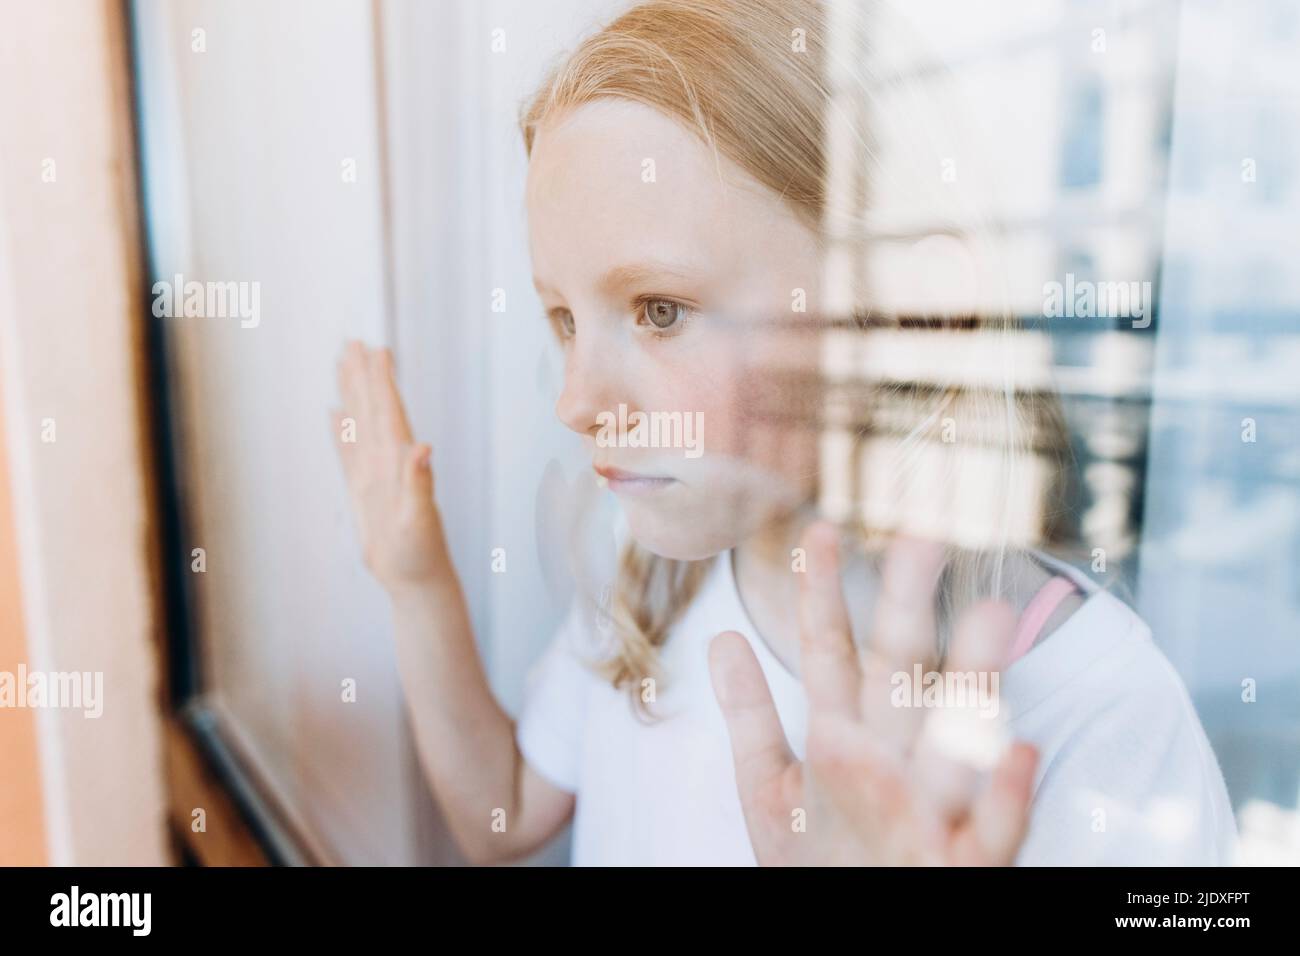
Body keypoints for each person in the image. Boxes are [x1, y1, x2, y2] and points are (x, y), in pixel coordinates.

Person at [332, 0, 1235, 865]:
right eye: (565, 319)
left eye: (658, 309)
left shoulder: (1103, 714)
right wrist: (416, 582)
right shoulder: (646, 573)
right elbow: (504, 811)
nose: (576, 402)